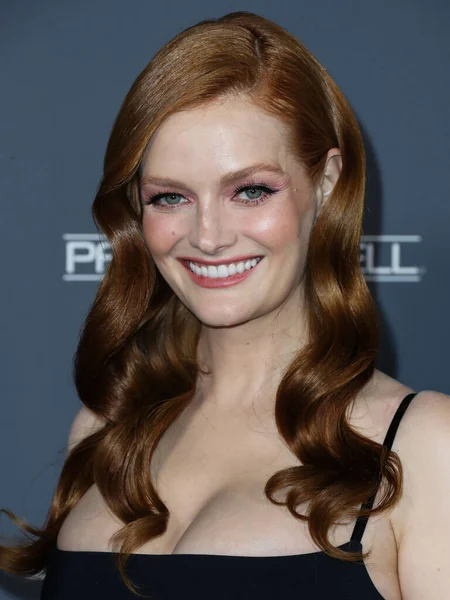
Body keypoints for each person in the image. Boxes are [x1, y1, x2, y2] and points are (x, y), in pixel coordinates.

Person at [1, 10, 449, 600]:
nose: (208, 236)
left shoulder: (423, 446)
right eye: (170, 197)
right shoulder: (107, 427)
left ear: (327, 183)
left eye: (250, 191)